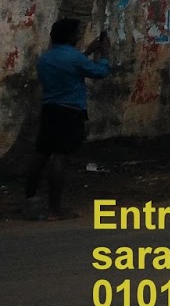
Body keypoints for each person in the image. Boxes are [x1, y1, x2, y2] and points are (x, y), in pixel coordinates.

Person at [25, 19, 110, 219]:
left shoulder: (46, 58)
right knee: (60, 156)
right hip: (69, 111)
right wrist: (105, 54)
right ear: (72, 36)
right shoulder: (73, 58)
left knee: (42, 154)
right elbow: (100, 72)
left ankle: (30, 198)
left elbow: (69, 67)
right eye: (78, 33)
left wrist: (87, 52)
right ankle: (55, 209)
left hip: (50, 109)